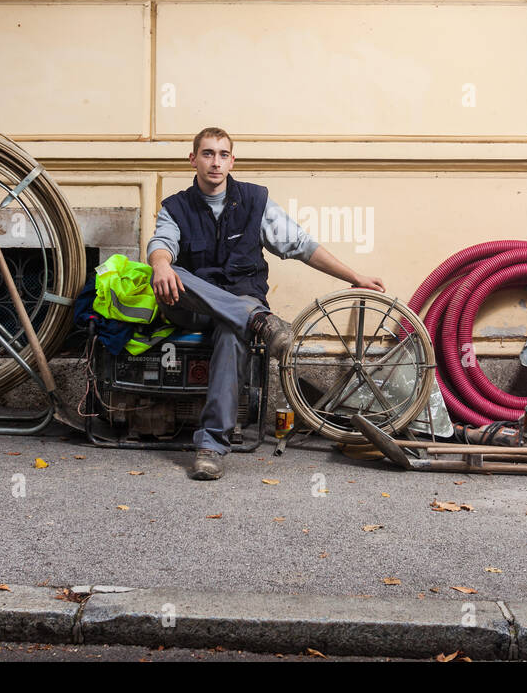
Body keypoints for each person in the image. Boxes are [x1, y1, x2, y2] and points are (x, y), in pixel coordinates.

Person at [147, 127, 384, 480]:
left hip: (238, 306)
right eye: (208, 154)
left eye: (223, 154)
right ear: (193, 159)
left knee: (231, 331)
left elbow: (301, 245)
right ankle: (258, 319)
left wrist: (355, 276)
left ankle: (211, 445)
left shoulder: (254, 202)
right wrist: (161, 264)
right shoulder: (175, 207)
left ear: (232, 160)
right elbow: (161, 242)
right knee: (176, 272)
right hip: (191, 307)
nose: (215, 162)